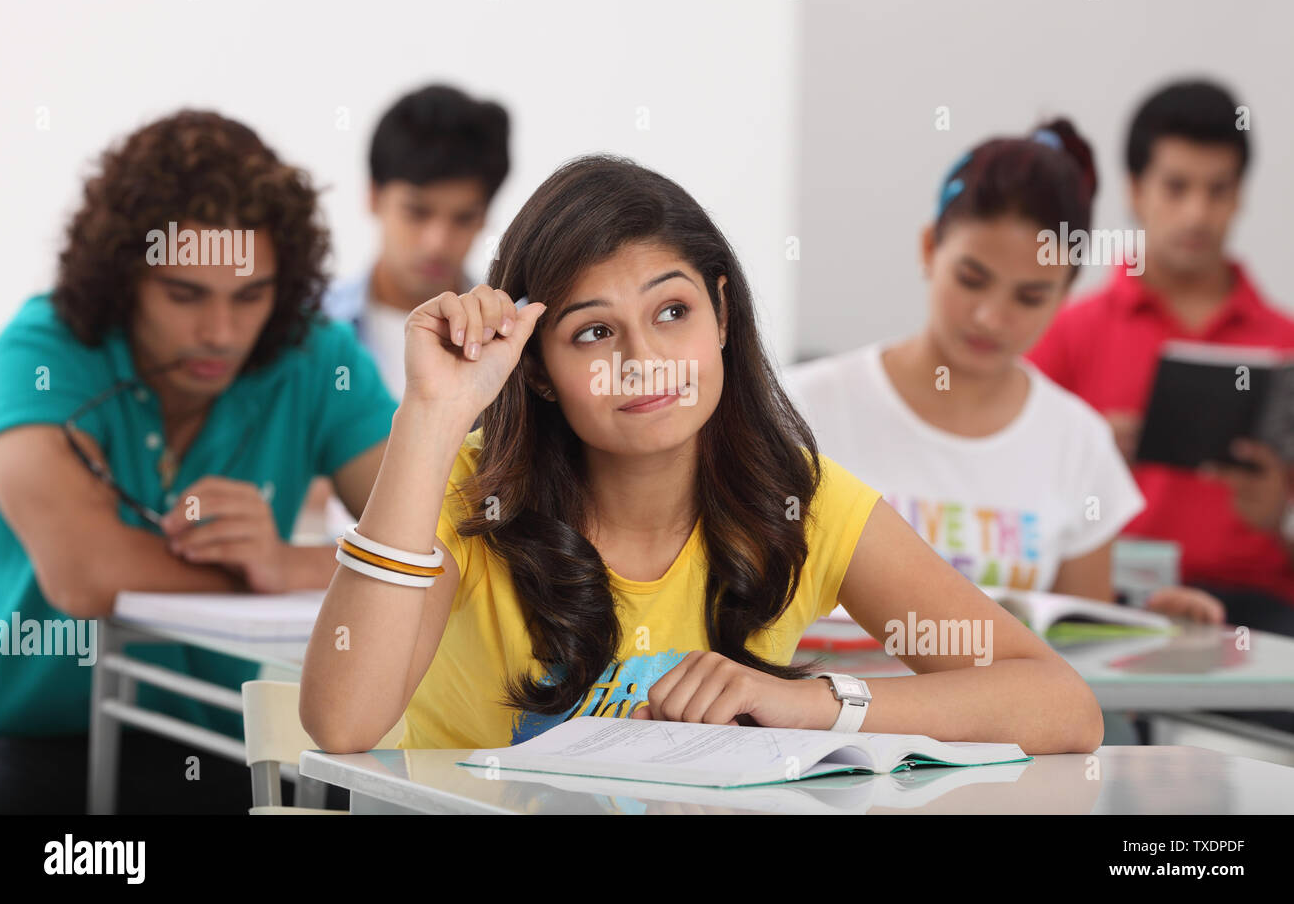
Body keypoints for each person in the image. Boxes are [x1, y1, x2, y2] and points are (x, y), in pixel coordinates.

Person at [300, 155, 1104, 758]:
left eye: (672, 311)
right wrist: (432, 416)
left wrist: (816, 704)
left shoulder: (801, 500)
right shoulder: (470, 493)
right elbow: (342, 722)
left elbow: (1059, 704)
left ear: (721, 314)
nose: (644, 358)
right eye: (593, 332)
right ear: (537, 370)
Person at [0, 110, 399, 812]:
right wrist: (269, 574)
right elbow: (86, 576)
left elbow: (443, 538)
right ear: (125, 280)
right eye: (185, 295)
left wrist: (288, 563)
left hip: (212, 736)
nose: (221, 332)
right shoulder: (44, 349)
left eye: (251, 295)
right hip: (27, 736)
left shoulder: (317, 355)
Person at [786, 119, 1222, 625]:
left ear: (1066, 293)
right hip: (833, 699)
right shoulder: (807, 407)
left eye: (1030, 296)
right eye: (972, 280)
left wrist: (1155, 631)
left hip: (998, 706)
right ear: (930, 249)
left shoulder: (1078, 441)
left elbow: (1074, 660)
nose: (992, 317)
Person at [1026, 81, 1294, 639]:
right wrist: (1086, 456)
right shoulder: (1067, 332)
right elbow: (1009, 491)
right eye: (1176, 187)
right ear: (1135, 190)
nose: (1197, 213)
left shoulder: (1284, 342)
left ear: (1240, 196)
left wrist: (1280, 518)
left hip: (1261, 610)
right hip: (1111, 598)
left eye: (1218, 190)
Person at [323, 82, 510, 398]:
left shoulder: (510, 340)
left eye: (463, 217)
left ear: (484, 217)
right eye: (417, 212)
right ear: (373, 196)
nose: (437, 243)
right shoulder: (307, 331)